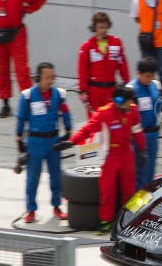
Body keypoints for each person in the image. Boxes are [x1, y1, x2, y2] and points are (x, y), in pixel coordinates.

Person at [54, 84, 147, 233]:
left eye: (131, 101)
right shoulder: (104, 113)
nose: (131, 104)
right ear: (118, 100)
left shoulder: (133, 110)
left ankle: (128, 220)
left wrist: (143, 149)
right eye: (128, 101)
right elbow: (87, 129)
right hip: (109, 156)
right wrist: (71, 142)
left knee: (129, 190)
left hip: (127, 155)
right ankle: (106, 221)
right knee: (107, 190)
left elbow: (137, 131)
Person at [16, 62, 72, 223]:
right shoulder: (27, 96)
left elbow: (65, 113)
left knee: (56, 176)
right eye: (47, 77)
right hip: (35, 142)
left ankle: (57, 207)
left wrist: (67, 132)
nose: (50, 80)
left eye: (52, 77)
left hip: (53, 140)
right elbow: (21, 118)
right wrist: (19, 140)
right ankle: (31, 209)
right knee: (33, 177)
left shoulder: (59, 94)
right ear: (38, 78)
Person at [77, 12, 130, 117]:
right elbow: (82, 70)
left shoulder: (116, 42)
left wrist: (126, 84)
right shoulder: (87, 46)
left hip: (111, 90)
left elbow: (123, 64)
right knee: (95, 124)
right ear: (95, 28)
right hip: (94, 92)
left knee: (113, 120)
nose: (103, 30)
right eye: (100, 27)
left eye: (105, 27)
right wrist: (83, 91)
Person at [130, 0, 162, 95]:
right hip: (146, 43)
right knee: (146, 71)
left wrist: (160, 31)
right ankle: (147, 95)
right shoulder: (137, 1)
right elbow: (136, 18)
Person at [127, 58, 162, 189]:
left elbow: (157, 106)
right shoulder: (131, 90)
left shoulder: (154, 86)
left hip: (153, 135)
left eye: (152, 75)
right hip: (139, 137)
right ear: (138, 73)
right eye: (147, 76)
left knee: (150, 171)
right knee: (140, 172)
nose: (150, 78)